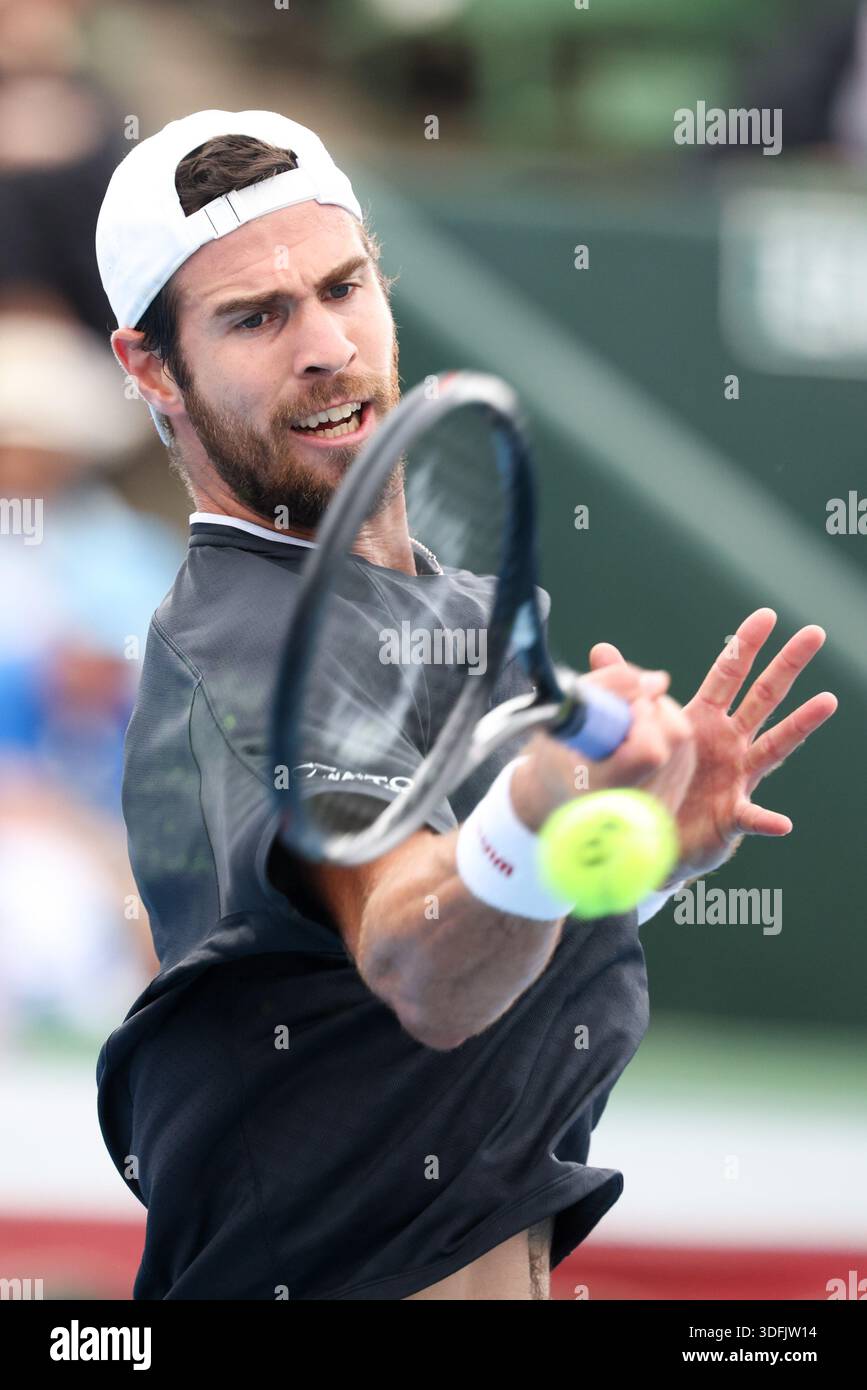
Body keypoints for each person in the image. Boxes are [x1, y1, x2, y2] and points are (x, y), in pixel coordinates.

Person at [93, 110, 837, 1300]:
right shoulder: (251, 653)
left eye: (342, 286)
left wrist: (633, 860)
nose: (327, 346)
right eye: (256, 317)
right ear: (149, 368)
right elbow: (417, 964)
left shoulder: (467, 613)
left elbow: (446, 946)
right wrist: (542, 826)